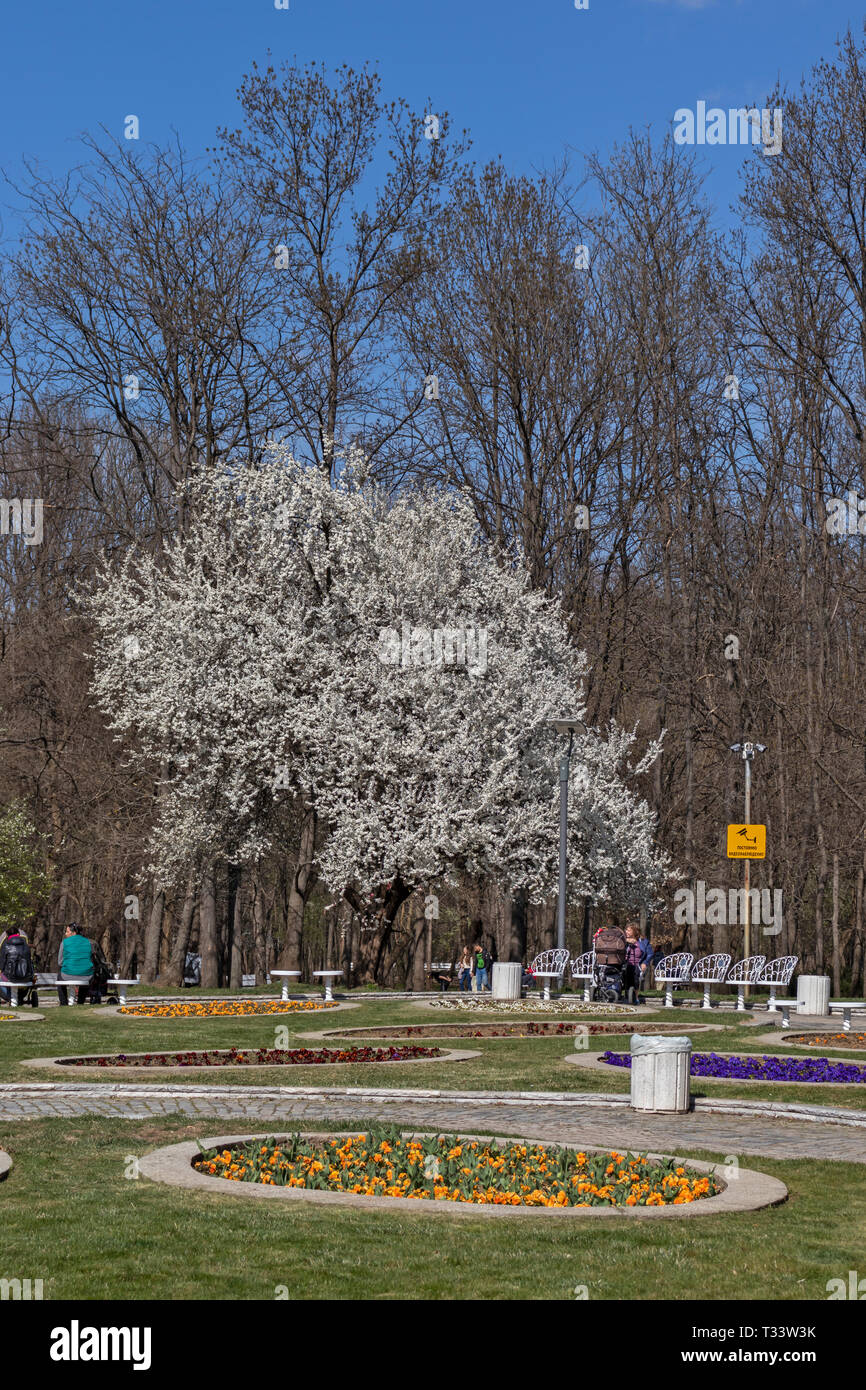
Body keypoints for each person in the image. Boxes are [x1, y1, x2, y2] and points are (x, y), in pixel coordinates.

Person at [57, 923, 94, 1006]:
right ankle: (80, 1002)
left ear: (73, 933)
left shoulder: (64, 942)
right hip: (86, 975)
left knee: (59, 977)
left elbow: (60, 962)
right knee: (87, 977)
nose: (65, 934)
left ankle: (63, 1003)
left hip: (67, 974)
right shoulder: (88, 942)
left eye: (67, 932)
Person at [0, 927, 35, 1005]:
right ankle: (18, 998)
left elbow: (2, 963)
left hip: (9, 976)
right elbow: (29, 961)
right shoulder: (26, 945)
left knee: (2, 977)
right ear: (18, 934)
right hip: (24, 976)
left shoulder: (5, 945)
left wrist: (2, 971)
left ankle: (10, 997)